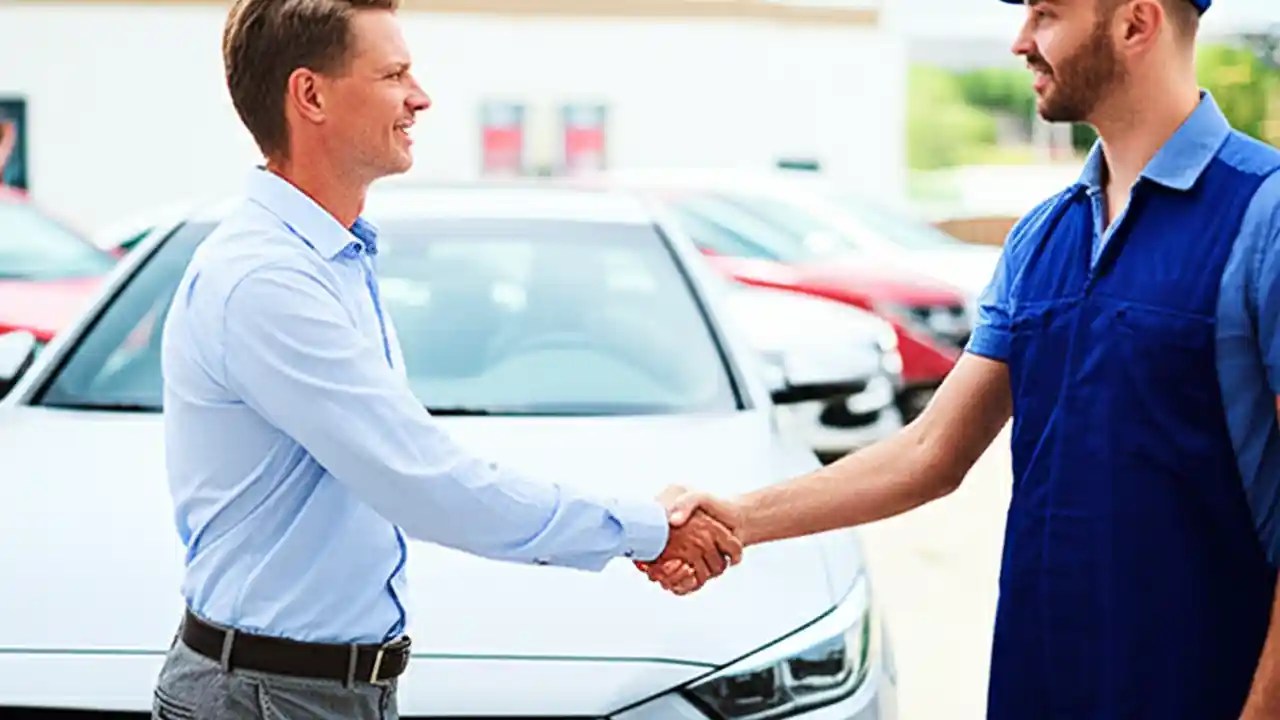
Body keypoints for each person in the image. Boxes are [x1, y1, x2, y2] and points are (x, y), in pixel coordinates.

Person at [644, 0, 1280, 717]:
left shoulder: (1266, 217)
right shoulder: (1043, 237)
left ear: (1136, 23)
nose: (1020, 41)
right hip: (1038, 687)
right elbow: (928, 451)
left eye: (1046, 14)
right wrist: (737, 517)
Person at [151, 0, 738, 717]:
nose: (420, 97)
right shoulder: (266, 282)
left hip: (310, 689)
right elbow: (427, 482)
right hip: (269, 697)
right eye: (394, 73)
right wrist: (646, 526)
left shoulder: (331, 259)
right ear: (311, 96)